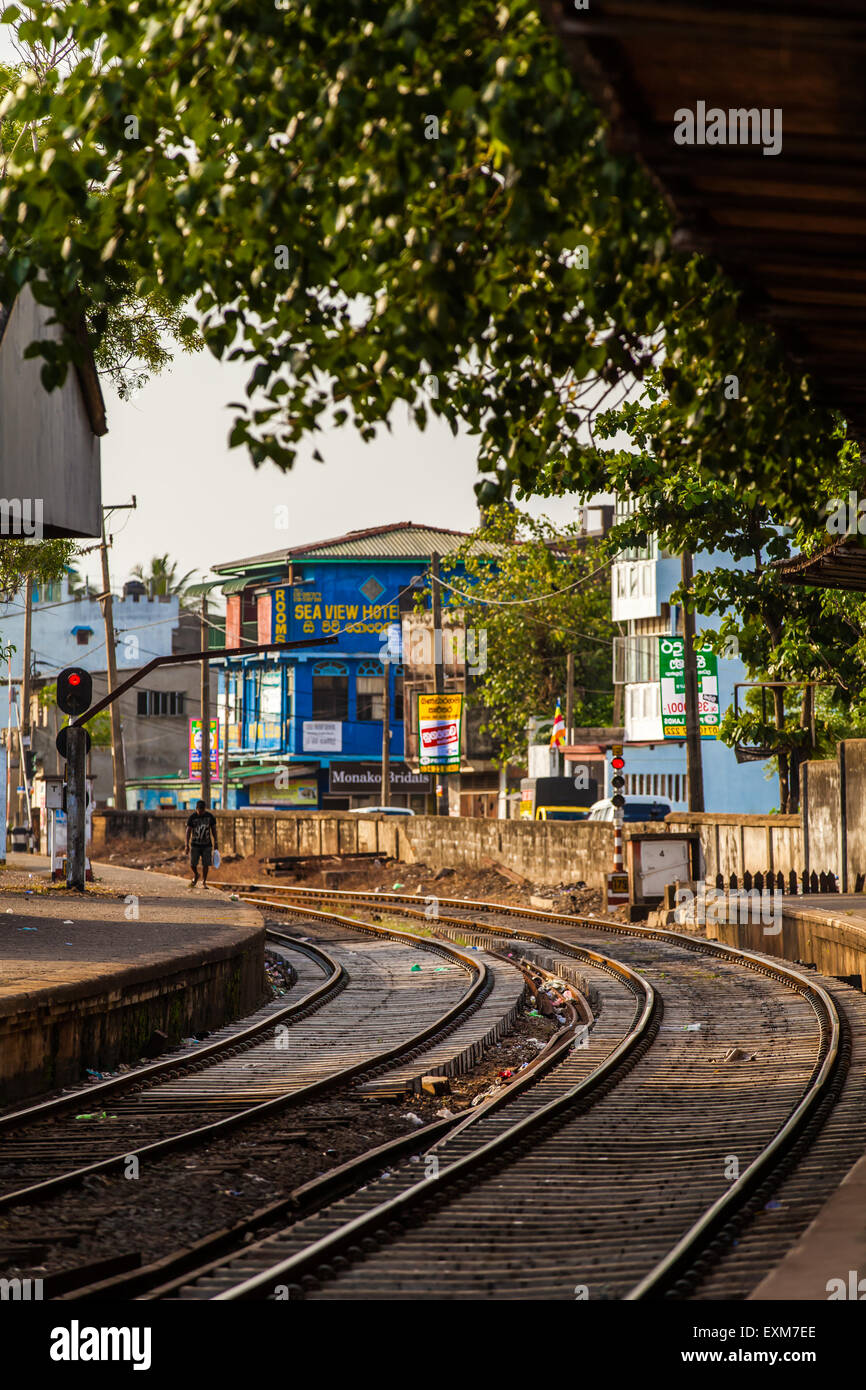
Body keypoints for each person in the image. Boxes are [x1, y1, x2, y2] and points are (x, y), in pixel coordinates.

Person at [185, 800, 218, 889]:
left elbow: (214, 830)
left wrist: (216, 842)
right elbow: (188, 831)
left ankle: (204, 881)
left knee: (206, 864)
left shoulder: (210, 817)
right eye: (199, 811)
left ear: (205, 809)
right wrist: (186, 844)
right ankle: (196, 874)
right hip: (195, 844)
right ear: (196, 809)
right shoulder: (192, 817)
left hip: (207, 845)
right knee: (192, 864)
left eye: (202, 811)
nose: (200, 812)